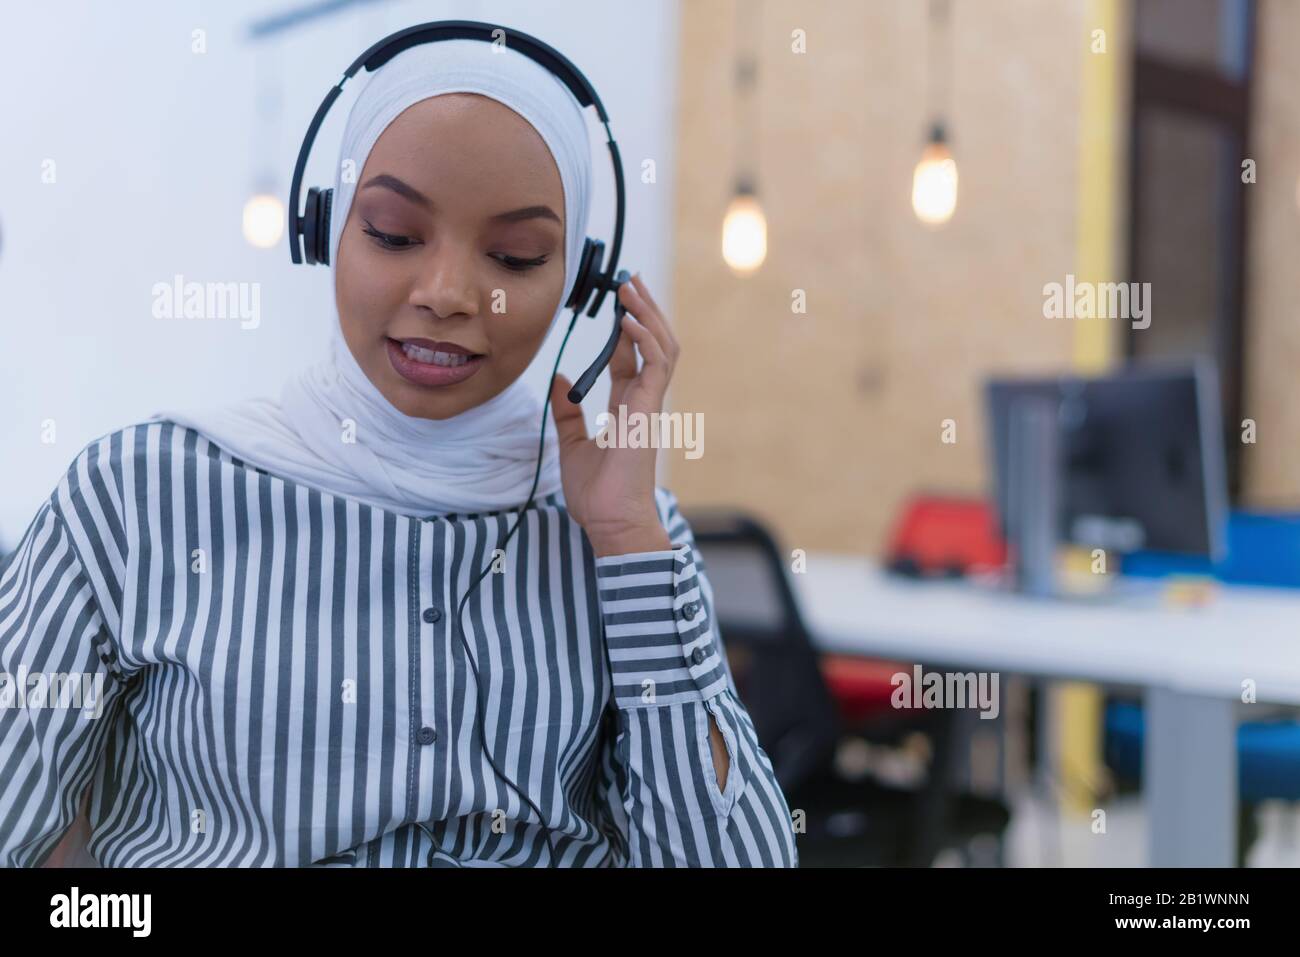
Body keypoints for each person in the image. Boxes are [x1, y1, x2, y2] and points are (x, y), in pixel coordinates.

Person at [0, 37, 797, 867]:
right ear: (326, 232)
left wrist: (630, 539)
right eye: (392, 234)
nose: (447, 294)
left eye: (513, 257)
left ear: (580, 285)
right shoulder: (135, 501)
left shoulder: (624, 533)